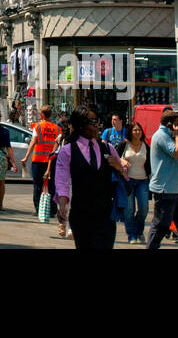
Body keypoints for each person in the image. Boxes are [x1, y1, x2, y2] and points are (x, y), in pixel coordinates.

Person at [54, 105, 127, 249]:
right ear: (80, 124)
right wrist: (62, 205)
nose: (97, 125)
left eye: (97, 120)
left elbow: (125, 177)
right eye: (92, 121)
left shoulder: (107, 148)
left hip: (106, 214)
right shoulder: (68, 151)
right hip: (81, 214)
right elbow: (62, 181)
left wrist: (119, 168)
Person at [145, 109, 178, 249]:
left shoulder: (169, 135)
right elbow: (177, 153)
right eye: (177, 124)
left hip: (176, 189)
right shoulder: (161, 136)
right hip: (165, 189)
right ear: (171, 124)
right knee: (161, 225)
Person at [21, 105, 61, 215]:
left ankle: (39, 209)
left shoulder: (38, 127)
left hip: (38, 161)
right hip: (52, 161)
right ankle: (53, 210)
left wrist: (26, 157)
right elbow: (58, 145)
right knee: (51, 185)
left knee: (38, 186)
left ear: (42, 115)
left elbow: (33, 142)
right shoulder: (57, 128)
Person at [116, 121, 151, 244]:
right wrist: (122, 161)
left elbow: (150, 163)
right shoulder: (124, 145)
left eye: (139, 130)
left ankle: (139, 230)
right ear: (130, 132)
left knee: (144, 208)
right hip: (127, 181)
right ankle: (132, 234)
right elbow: (114, 157)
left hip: (143, 181)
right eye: (135, 130)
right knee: (129, 210)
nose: (137, 132)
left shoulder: (146, 146)